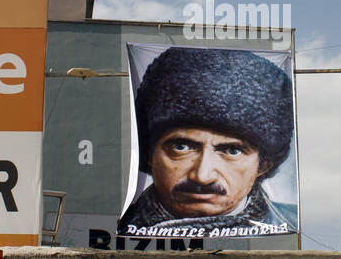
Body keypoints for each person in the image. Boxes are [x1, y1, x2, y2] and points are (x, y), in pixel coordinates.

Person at [118, 46, 297, 236]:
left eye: (231, 151)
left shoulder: (288, 223)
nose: (202, 176)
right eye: (181, 147)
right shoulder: (119, 222)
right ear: (148, 154)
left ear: (263, 164)